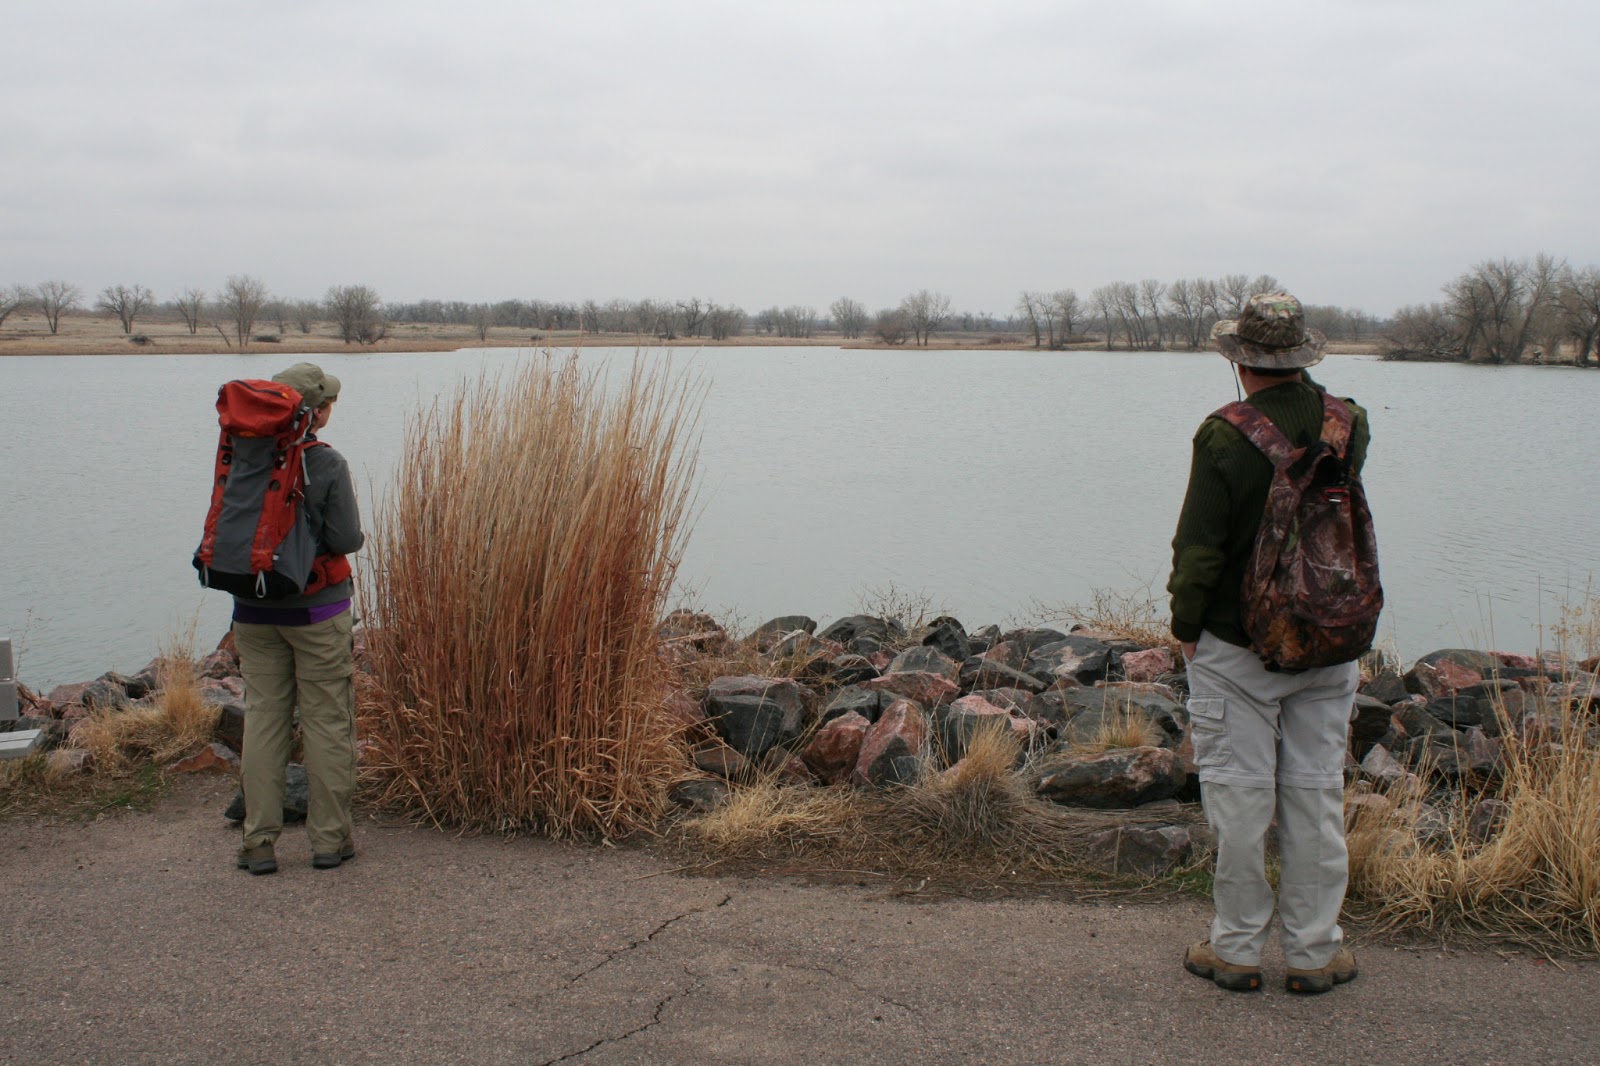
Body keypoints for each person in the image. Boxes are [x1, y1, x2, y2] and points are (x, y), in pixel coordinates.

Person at [1168, 293, 1369, 994]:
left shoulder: (1223, 436)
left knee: (1242, 799)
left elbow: (1199, 549)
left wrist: (1185, 629)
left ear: (1240, 360)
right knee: (1315, 794)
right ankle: (1315, 952)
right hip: (1330, 635)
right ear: (1300, 357)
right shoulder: (1349, 422)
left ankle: (1237, 949)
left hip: (1238, 645)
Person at [234, 363, 365, 875]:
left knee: (264, 719)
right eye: (329, 402)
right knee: (327, 721)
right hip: (317, 609)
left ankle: (258, 843)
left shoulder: (242, 454)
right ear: (317, 412)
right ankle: (330, 842)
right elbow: (346, 539)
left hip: (251, 608)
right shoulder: (325, 463)